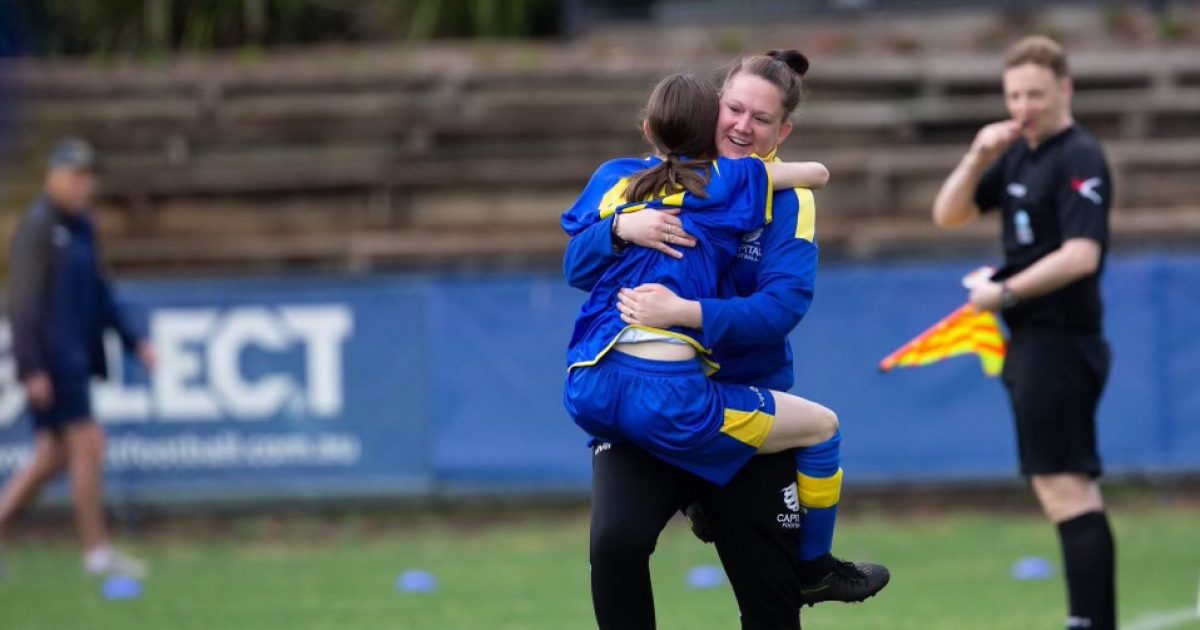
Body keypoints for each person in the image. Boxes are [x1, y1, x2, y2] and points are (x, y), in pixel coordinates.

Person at [563, 64, 886, 629]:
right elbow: (576, 265)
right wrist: (620, 230)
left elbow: (780, 310)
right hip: (654, 404)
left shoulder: (783, 198)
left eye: (761, 119)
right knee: (615, 544)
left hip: (737, 397)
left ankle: (798, 561)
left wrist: (686, 314)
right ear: (713, 107)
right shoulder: (643, 181)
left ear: (782, 132)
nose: (741, 126)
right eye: (733, 110)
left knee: (770, 599)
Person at [932, 36, 1116, 630]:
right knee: (1058, 485)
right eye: (1014, 95)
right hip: (1031, 341)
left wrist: (1004, 291)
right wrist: (975, 156)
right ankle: (1089, 619)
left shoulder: (1078, 155)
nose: (1024, 106)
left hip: (1061, 339)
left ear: (1065, 89)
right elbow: (949, 214)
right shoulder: (1016, 153)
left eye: (1036, 93)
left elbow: (1082, 255)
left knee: (1066, 488)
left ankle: (1090, 621)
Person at [0, 138, 152, 579]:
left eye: (89, 177)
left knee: (51, 457)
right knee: (87, 443)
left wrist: (134, 340)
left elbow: (100, 294)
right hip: (51, 361)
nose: (84, 186)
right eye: (77, 176)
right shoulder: (37, 227)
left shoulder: (82, 227)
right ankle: (97, 551)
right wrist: (31, 367)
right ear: (54, 176)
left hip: (75, 359)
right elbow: (22, 303)